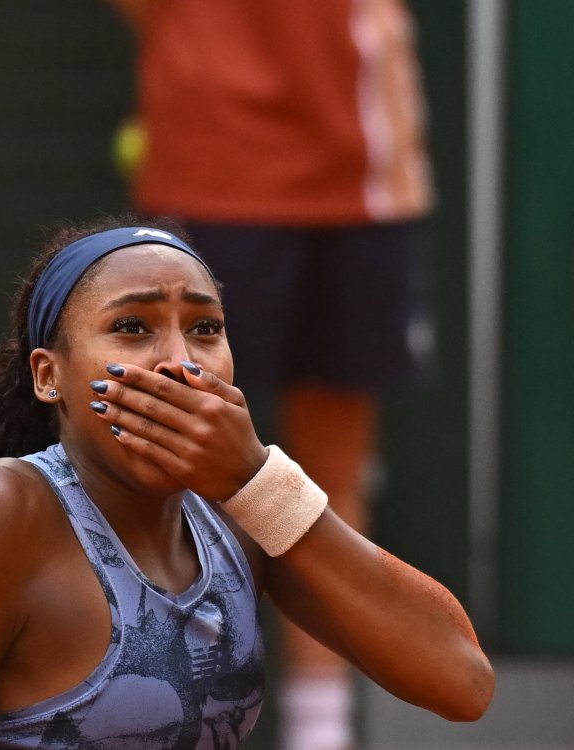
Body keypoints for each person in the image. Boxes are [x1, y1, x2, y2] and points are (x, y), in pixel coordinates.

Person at [0, 218, 492, 749]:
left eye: (205, 329)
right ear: (48, 375)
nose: (180, 363)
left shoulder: (241, 518)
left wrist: (259, 484)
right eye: (132, 328)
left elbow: (462, 683)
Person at [107, 4, 438, 747]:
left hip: (364, 168)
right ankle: (170, 721)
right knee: (177, 457)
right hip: (212, 158)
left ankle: (322, 731)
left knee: (334, 469)